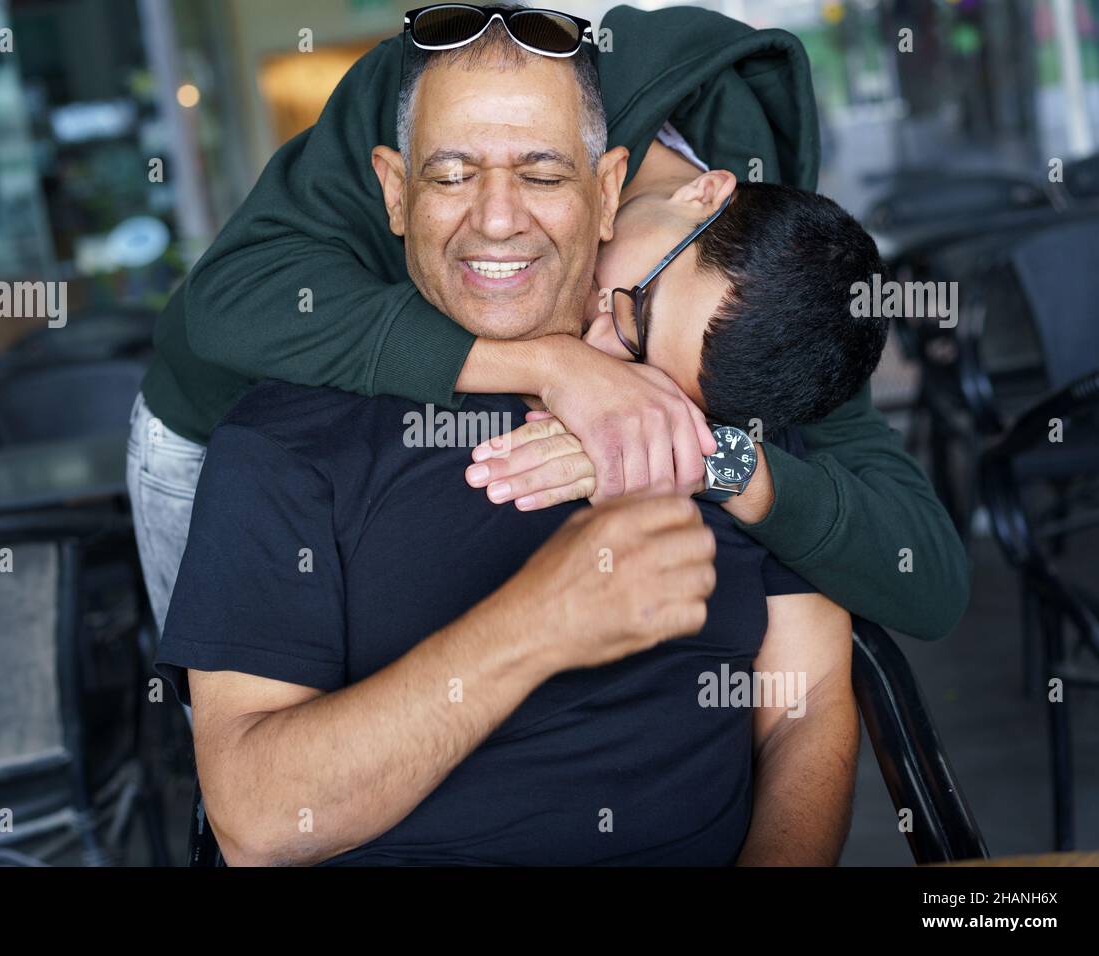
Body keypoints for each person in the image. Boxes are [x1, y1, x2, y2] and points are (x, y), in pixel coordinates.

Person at [157, 22, 857, 866]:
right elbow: (256, 820)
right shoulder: (283, 438)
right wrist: (538, 623)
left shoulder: (712, 376)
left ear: (608, 192)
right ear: (393, 191)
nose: (495, 218)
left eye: (542, 173)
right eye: (450, 174)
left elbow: (808, 700)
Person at [127, 3, 969, 646]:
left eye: (649, 379)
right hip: (219, 432)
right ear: (704, 191)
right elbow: (230, 303)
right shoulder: (463, 81)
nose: (604, 342)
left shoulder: (767, 291)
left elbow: (929, 580)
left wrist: (725, 459)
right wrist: (552, 370)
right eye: (631, 311)